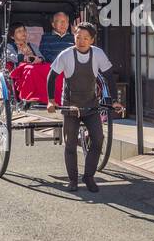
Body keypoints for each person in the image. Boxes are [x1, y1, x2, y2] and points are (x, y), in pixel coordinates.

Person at [47, 22, 122, 193]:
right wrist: (51, 100)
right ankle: (73, 180)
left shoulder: (98, 54)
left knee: (98, 139)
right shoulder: (66, 55)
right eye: (78, 37)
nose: (81, 41)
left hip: (90, 106)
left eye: (85, 38)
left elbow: (109, 76)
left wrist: (113, 100)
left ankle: (89, 176)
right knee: (71, 144)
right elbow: (52, 77)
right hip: (70, 107)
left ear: (92, 40)